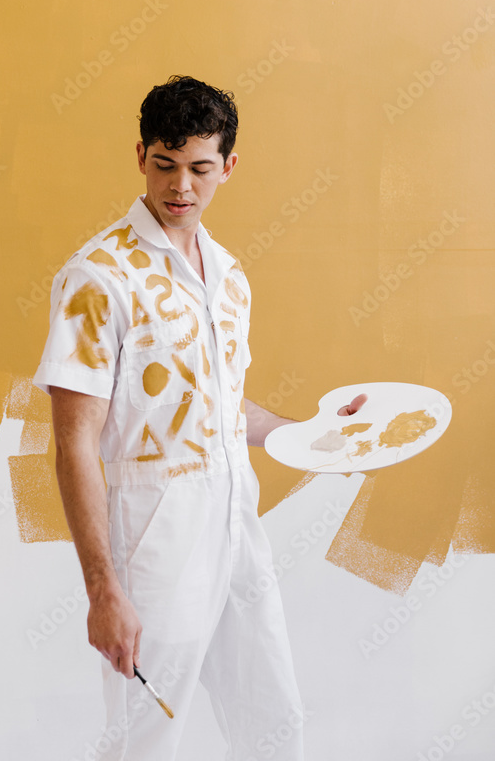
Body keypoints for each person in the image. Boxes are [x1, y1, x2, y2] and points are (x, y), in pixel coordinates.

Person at [33, 75, 366, 761]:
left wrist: (320, 435)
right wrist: (103, 591)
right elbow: (73, 443)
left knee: (274, 722)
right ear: (140, 156)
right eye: (164, 164)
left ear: (228, 167)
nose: (179, 186)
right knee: (148, 732)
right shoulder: (96, 279)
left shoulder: (228, 275)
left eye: (199, 168)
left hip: (234, 519)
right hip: (154, 530)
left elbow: (218, 408)